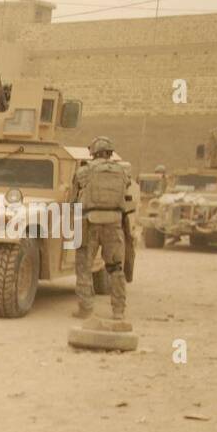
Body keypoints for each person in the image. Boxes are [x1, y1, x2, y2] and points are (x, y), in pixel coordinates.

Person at [70, 135, 131, 321]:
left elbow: (73, 200)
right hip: (114, 223)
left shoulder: (83, 171)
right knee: (115, 268)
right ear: (110, 153)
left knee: (84, 267)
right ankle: (118, 311)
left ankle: (86, 309)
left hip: (89, 223)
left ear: (94, 153)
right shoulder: (122, 172)